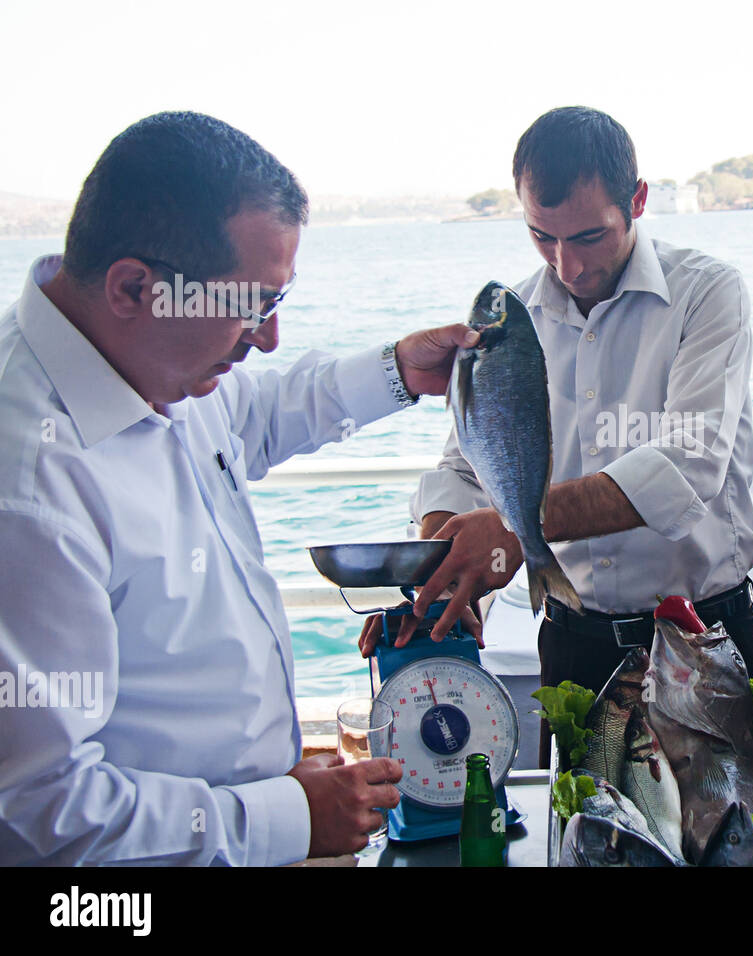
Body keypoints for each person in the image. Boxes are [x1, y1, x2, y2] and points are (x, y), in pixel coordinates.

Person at [0, 112, 479, 865]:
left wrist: (397, 370)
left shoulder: (157, 365)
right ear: (133, 287)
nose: (266, 338)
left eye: (276, 304)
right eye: (248, 306)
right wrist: (284, 817)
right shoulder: (28, 490)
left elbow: (258, 412)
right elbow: (39, 813)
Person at [379, 106, 753, 697]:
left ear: (637, 200)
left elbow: (689, 464)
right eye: (543, 237)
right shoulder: (509, 326)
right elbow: (463, 468)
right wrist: (445, 575)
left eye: (589, 236)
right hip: (572, 642)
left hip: (706, 639)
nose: (568, 264)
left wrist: (517, 528)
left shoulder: (707, 292)